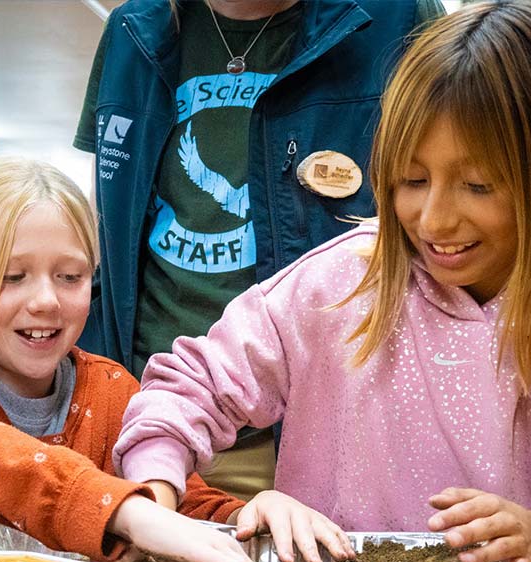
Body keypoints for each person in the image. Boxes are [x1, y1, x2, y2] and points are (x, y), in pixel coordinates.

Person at [114, 0, 531, 562]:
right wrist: (155, 504)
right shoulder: (341, 279)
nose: (436, 221)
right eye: (412, 181)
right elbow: (186, 387)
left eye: (478, 186)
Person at [0, 156, 351, 562]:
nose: (46, 300)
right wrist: (123, 512)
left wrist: (247, 516)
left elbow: (180, 508)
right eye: (12, 276)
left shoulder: (109, 389)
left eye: (70, 277)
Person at [74, 0, 441, 502]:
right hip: (142, 417)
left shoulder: (395, 18)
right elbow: (107, 228)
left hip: (310, 442)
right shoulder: (134, 29)